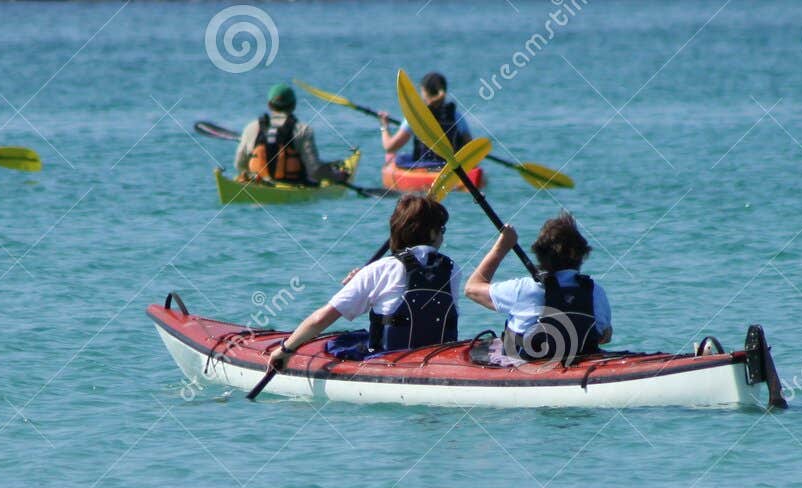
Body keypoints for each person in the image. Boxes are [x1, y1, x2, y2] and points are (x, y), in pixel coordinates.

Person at [268, 195, 463, 371]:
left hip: (389, 358)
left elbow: (321, 319)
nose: (443, 236)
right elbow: (416, 284)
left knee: (340, 343)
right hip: (438, 358)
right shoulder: (453, 269)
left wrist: (285, 349)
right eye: (442, 229)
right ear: (430, 233)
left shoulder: (380, 269)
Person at [465, 213, 612, 366]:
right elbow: (605, 336)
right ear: (582, 253)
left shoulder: (525, 288)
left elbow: (471, 288)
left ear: (540, 254)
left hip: (529, 362)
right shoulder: (595, 290)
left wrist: (502, 247)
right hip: (581, 357)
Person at [234, 84, 347, 184]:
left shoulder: (251, 128)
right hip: (294, 185)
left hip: (260, 184)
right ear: (294, 105)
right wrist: (336, 176)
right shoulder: (303, 130)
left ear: (269, 105)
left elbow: (240, 164)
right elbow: (315, 171)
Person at [380, 72, 471, 169]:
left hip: (424, 168)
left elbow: (389, 147)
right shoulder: (456, 116)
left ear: (424, 91)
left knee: (393, 159)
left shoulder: (415, 116)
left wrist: (384, 126)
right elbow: (470, 149)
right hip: (451, 168)